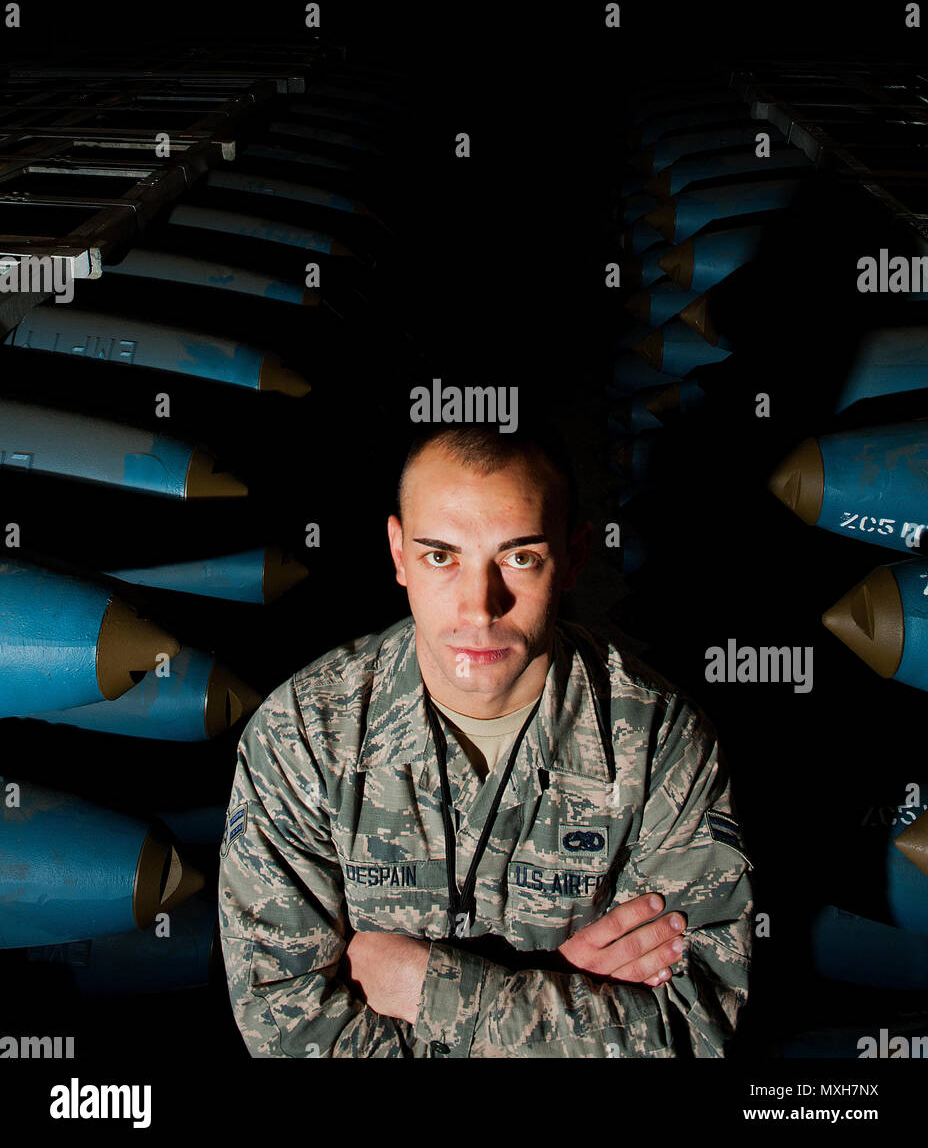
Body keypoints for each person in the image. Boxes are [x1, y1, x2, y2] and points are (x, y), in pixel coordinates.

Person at [218, 419, 754, 1057]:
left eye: (520, 557)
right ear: (398, 555)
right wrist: (560, 995)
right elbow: (287, 1031)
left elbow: (694, 1034)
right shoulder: (303, 737)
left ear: (575, 557)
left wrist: (426, 988)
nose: (480, 606)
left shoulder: (660, 745)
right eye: (440, 556)